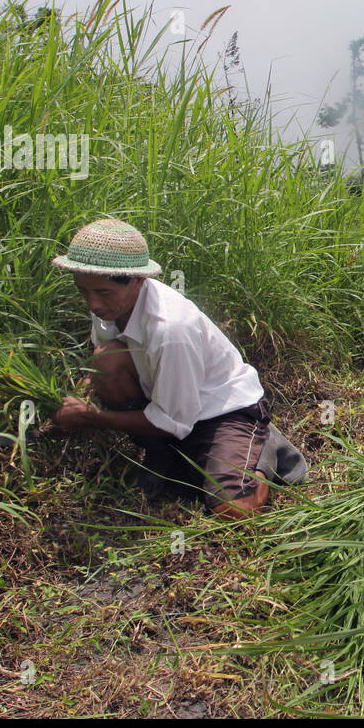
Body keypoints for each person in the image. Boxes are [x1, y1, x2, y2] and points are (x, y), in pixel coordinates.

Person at [47, 218, 307, 519]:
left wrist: (92, 417)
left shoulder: (171, 329)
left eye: (102, 293)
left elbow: (172, 421)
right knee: (106, 360)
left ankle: (262, 450)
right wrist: (73, 401)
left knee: (232, 510)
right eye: (84, 291)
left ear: (137, 280)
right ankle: (165, 455)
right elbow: (107, 355)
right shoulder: (108, 305)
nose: (92, 303)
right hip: (173, 405)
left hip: (223, 413)